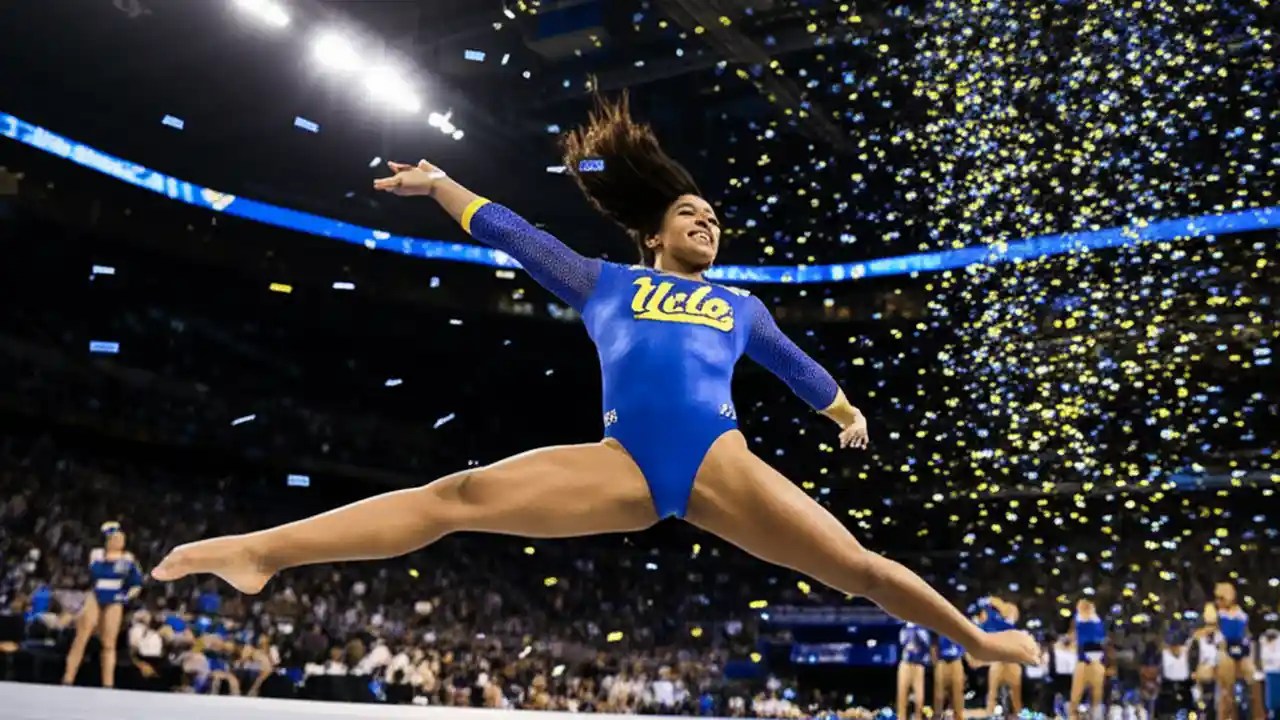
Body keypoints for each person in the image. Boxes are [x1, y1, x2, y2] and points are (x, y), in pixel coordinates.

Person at [151, 93, 1037, 667]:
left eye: (716, 217)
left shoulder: (740, 308)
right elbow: (521, 238)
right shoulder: (604, 283)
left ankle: (977, 641)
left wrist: (844, 411)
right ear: (654, 233)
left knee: (858, 568)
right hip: (622, 464)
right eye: (691, 213)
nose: (708, 222)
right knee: (455, 494)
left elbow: (800, 370)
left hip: (719, 460)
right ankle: (263, 552)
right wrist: (443, 185)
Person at [62, 521, 142, 688]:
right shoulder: (97, 554)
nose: (120, 541)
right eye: (116, 538)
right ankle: (68, 678)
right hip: (97, 594)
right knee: (81, 637)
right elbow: (95, 571)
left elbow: (136, 583)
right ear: (109, 540)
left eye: (122, 539)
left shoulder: (129, 559)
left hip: (115, 598)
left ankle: (108, 684)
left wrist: (126, 596)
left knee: (109, 643)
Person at [1213, 583, 1263, 720]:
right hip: (1225, 652)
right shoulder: (1217, 614)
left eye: (1221, 599)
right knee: (1226, 695)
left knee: (1254, 687)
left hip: (1242, 651)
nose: (1218, 602)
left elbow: (1246, 635)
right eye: (1217, 599)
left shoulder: (1242, 615)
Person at [1070, 598, 1108, 720]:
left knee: (1089, 695)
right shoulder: (1091, 622)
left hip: (1089, 662)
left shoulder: (1090, 622)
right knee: (1091, 696)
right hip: (1089, 661)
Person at [897, 622, 930, 720]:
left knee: (919, 698)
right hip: (906, 663)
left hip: (919, 664)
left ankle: (918, 717)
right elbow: (902, 642)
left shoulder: (923, 628)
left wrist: (917, 630)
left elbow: (927, 642)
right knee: (902, 697)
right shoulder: (904, 628)